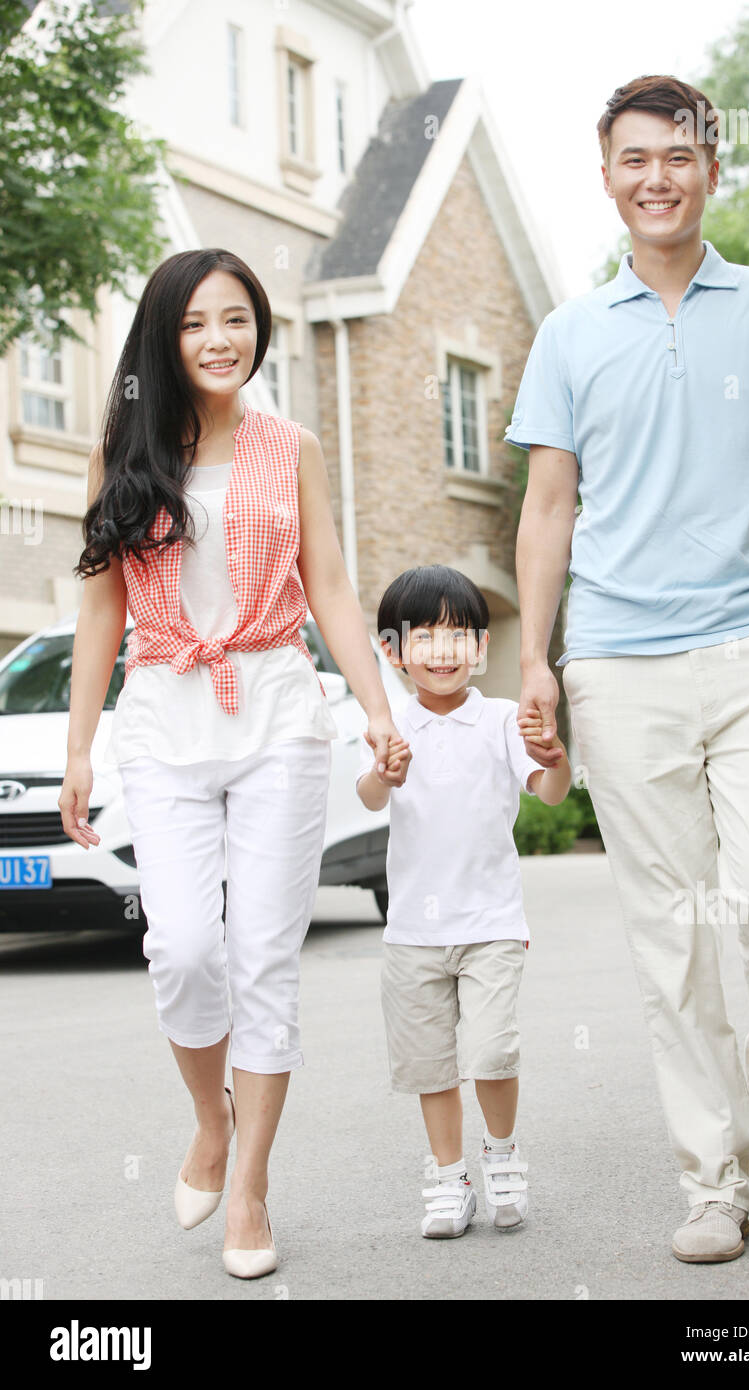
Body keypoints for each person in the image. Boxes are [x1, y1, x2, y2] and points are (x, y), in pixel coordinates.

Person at [507, 76, 749, 1263]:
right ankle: (711, 1177)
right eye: (632, 159)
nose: (655, 176)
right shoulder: (568, 333)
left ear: (711, 166)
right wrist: (539, 661)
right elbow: (545, 508)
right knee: (673, 932)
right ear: (605, 178)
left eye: (677, 155)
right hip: (617, 662)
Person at [59, 248, 405, 1279]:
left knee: (262, 958)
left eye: (238, 320)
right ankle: (206, 1121)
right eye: (196, 323)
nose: (220, 340)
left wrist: (379, 709)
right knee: (183, 949)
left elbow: (333, 588)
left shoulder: (289, 446)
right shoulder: (123, 449)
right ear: (164, 338)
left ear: (259, 330)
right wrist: (79, 748)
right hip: (164, 715)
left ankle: (248, 1181)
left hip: (276, 715)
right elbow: (97, 608)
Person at [355, 565, 572, 1237]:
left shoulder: (503, 720)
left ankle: (502, 1158)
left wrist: (557, 756)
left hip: (491, 924)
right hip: (412, 934)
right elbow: (367, 798)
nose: (443, 649)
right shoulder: (391, 726)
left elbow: (551, 791)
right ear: (392, 651)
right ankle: (449, 1178)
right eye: (424, 635)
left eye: (459, 634)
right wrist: (380, 772)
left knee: (493, 1050)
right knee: (431, 1064)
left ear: (481, 648)